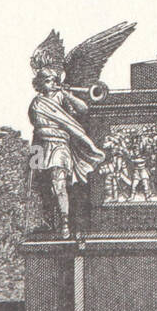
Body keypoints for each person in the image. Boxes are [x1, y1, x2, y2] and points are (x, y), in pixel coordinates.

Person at [28, 68, 104, 239]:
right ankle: (48, 221)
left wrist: (68, 94)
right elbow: (36, 127)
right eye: (48, 80)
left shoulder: (61, 96)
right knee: (40, 186)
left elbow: (83, 109)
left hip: (59, 145)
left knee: (59, 184)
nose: (52, 83)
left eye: (54, 80)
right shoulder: (36, 102)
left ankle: (65, 224)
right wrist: (33, 158)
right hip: (40, 144)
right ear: (40, 83)